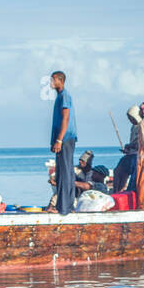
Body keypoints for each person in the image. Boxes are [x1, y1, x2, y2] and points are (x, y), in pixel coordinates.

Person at [48, 71, 77, 215]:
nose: (51, 83)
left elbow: (66, 118)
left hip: (65, 139)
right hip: (63, 139)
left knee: (65, 173)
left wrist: (59, 140)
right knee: (64, 172)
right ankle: (66, 206)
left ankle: (63, 208)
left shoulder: (64, 96)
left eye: (53, 80)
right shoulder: (60, 96)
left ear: (60, 80)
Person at [111, 105, 141, 195]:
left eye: (131, 118)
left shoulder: (143, 126)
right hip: (130, 154)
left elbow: (141, 143)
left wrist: (130, 146)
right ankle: (117, 192)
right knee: (118, 171)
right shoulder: (133, 127)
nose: (130, 120)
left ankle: (127, 192)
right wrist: (128, 149)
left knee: (132, 176)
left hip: (138, 156)